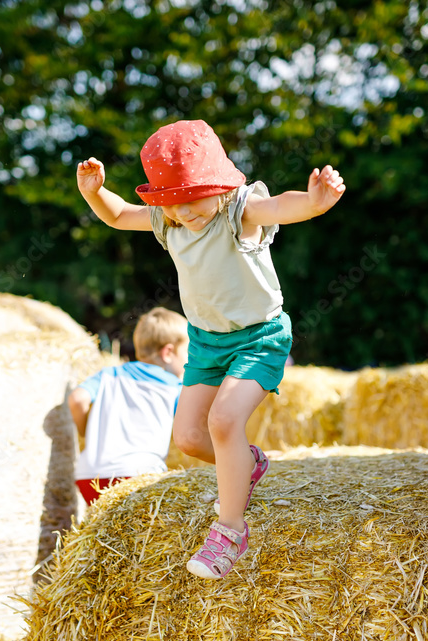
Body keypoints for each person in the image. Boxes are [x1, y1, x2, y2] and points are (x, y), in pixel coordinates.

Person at [76, 119, 345, 579]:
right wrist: (94, 193)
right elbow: (120, 215)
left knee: (224, 421)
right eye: (174, 206)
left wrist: (316, 203)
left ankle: (229, 531)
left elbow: (281, 205)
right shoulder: (170, 216)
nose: (185, 215)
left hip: (259, 337)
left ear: (219, 188)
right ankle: (249, 462)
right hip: (205, 342)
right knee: (189, 438)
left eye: (192, 203)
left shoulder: (237, 211)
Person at [68, 307, 188, 506]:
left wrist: (86, 432)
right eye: (187, 352)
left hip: (90, 475)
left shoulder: (109, 374)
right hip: (139, 475)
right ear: (168, 352)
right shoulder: (173, 386)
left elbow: (77, 399)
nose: (189, 361)